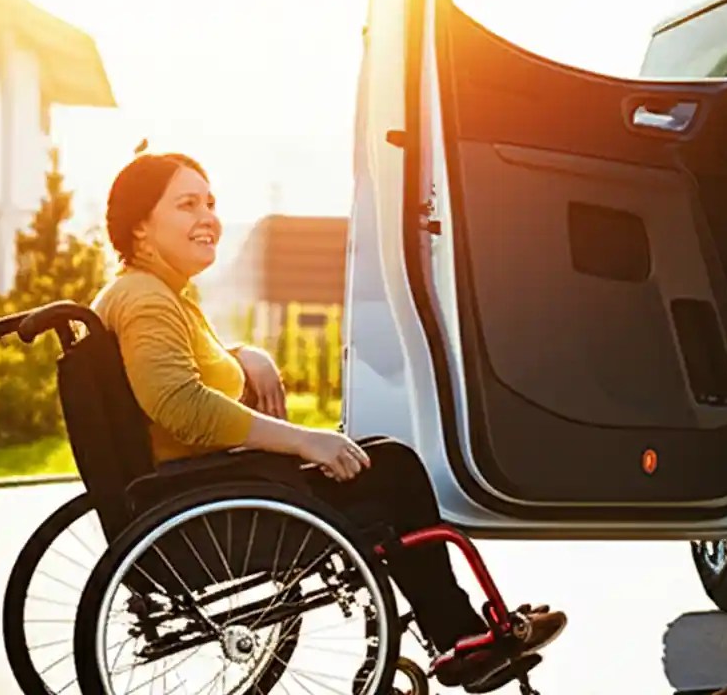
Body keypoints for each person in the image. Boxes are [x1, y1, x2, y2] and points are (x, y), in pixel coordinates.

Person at [91, 150, 566, 690]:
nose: (208, 217)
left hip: (200, 496)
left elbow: (189, 374)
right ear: (140, 226)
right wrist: (303, 442)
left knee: (384, 460)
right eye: (186, 204)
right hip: (207, 514)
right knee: (390, 470)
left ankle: (458, 635)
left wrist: (247, 353)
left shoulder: (152, 295)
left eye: (211, 202)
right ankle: (459, 637)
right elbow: (183, 407)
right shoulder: (147, 302)